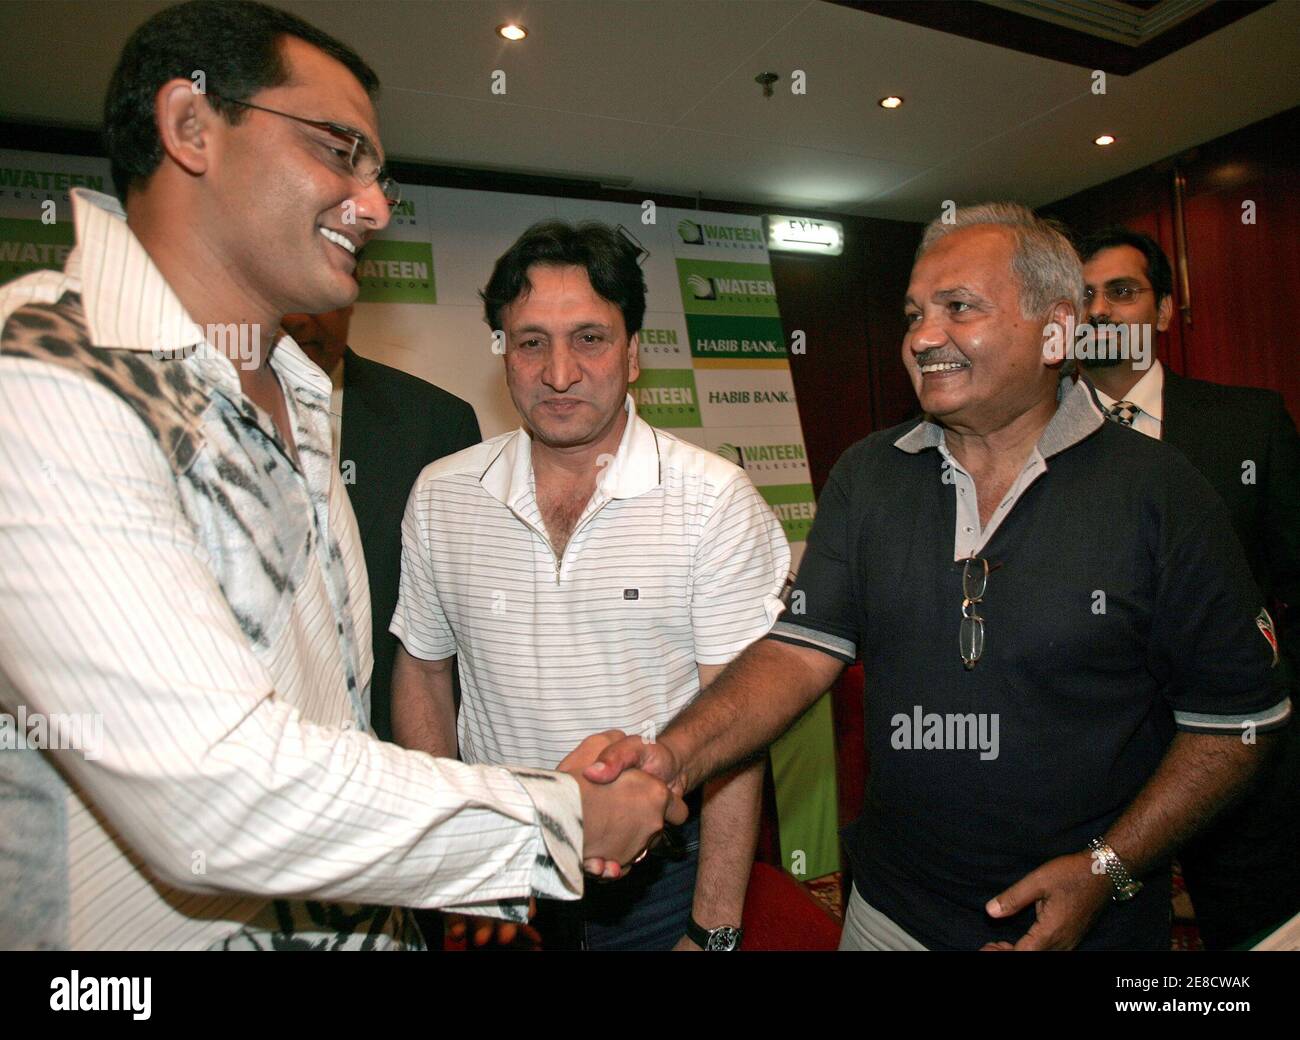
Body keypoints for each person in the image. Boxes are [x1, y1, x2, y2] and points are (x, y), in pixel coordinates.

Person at [0, 0, 678, 951]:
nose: (376, 205)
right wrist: (559, 817)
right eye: (337, 150)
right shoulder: (40, 376)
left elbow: (331, 733)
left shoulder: (300, 397)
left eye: (377, 171)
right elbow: (216, 796)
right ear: (190, 125)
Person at [583, 203, 1289, 951]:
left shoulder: (1162, 491)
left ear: (1056, 331)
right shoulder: (868, 474)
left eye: (959, 308)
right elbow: (798, 651)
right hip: (886, 914)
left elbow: (1238, 723)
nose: (922, 337)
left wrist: (1105, 870)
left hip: (1088, 928)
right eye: (915, 314)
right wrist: (673, 757)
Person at [390, 221, 790, 950]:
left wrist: (713, 929)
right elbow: (422, 673)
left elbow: (737, 730)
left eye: (590, 339)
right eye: (531, 342)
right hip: (500, 869)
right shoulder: (442, 494)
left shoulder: (713, 500)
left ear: (633, 354)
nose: (559, 373)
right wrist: (457, 862)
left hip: (661, 883)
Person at [1078, 227, 1300, 948]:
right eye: (1083, 296)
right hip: (1093, 759)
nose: (1100, 311)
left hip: (1237, 757)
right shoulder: (1030, 439)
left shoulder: (1249, 425)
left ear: (1166, 310)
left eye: (1122, 291)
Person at [282, 305, 481, 744]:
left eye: (315, 296)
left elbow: (453, 648)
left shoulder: (436, 425)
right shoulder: (173, 410)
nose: (298, 317)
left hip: (395, 759)